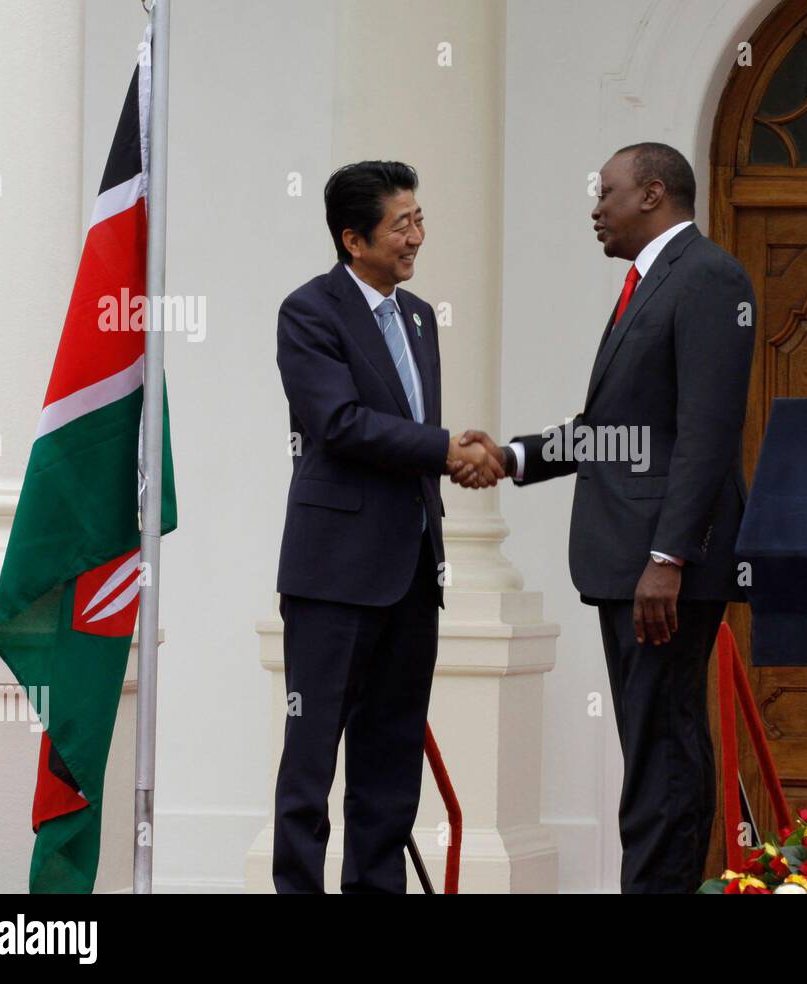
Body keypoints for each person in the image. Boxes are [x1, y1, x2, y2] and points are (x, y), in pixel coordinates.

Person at [458, 143, 756, 892]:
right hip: (628, 563)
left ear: (653, 194)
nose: (596, 209)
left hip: (660, 569)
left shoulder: (709, 279)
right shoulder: (649, 285)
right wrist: (515, 456)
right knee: (651, 743)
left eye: (608, 193)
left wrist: (670, 557)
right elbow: (614, 427)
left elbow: (707, 433)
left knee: (663, 747)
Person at [273, 160, 501, 893]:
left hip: (411, 569)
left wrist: (454, 455)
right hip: (334, 574)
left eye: (419, 219)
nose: (417, 237)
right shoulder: (308, 312)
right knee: (312, 762)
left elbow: (406, 431)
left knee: (391, 760)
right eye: (402, 224)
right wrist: (444, 450)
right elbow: (338, 424)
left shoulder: (420, 317)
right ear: (353, 238)